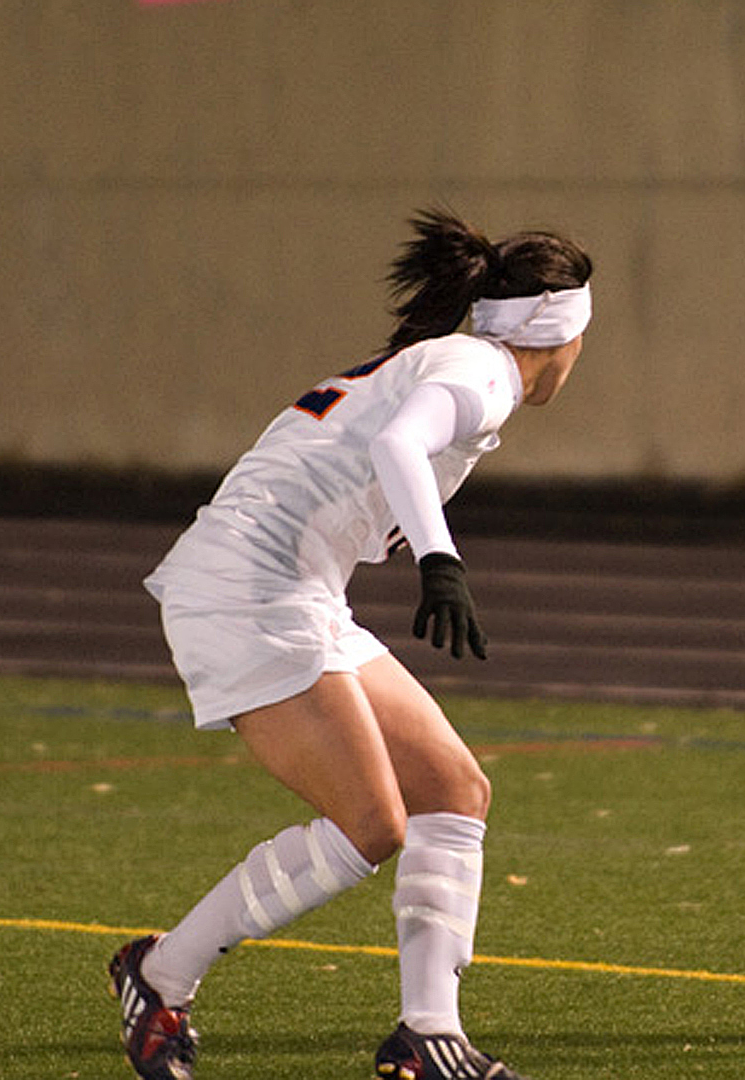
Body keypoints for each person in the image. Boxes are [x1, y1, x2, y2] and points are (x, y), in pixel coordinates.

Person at [110, 208, 593, 1080]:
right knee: (372, 824)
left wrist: (388, 528)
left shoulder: (451, 359)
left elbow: (362, 449)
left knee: (455, 787)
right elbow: (404, 445)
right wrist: (440, 560)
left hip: (294, 587)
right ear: (560, 333)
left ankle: (427, 1035)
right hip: (247, 594)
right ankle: (159, 973)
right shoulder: (484, 371)